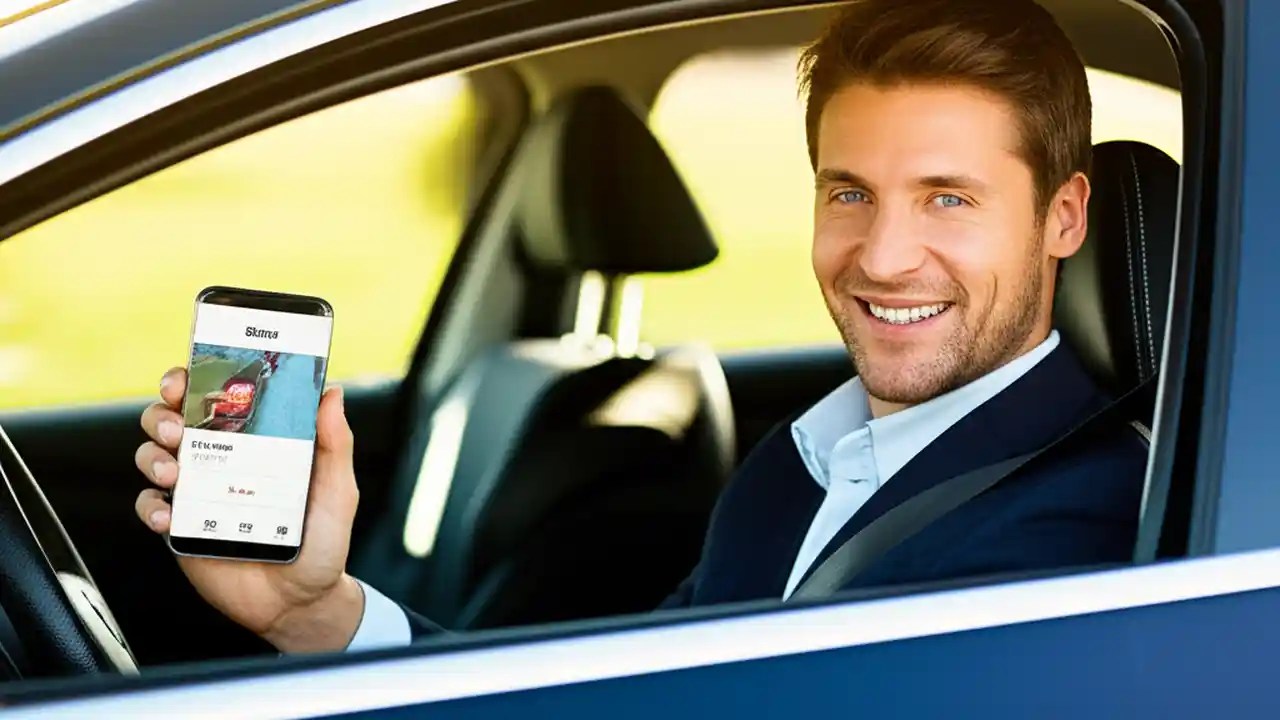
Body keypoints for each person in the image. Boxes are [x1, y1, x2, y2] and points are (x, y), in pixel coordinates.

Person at [132, 0, 1147, 653]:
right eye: (848, 194)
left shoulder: (1088, 530)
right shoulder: (802, 462)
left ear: (1063, 216)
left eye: (947, 200)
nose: (880, 257)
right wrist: (313, 611)